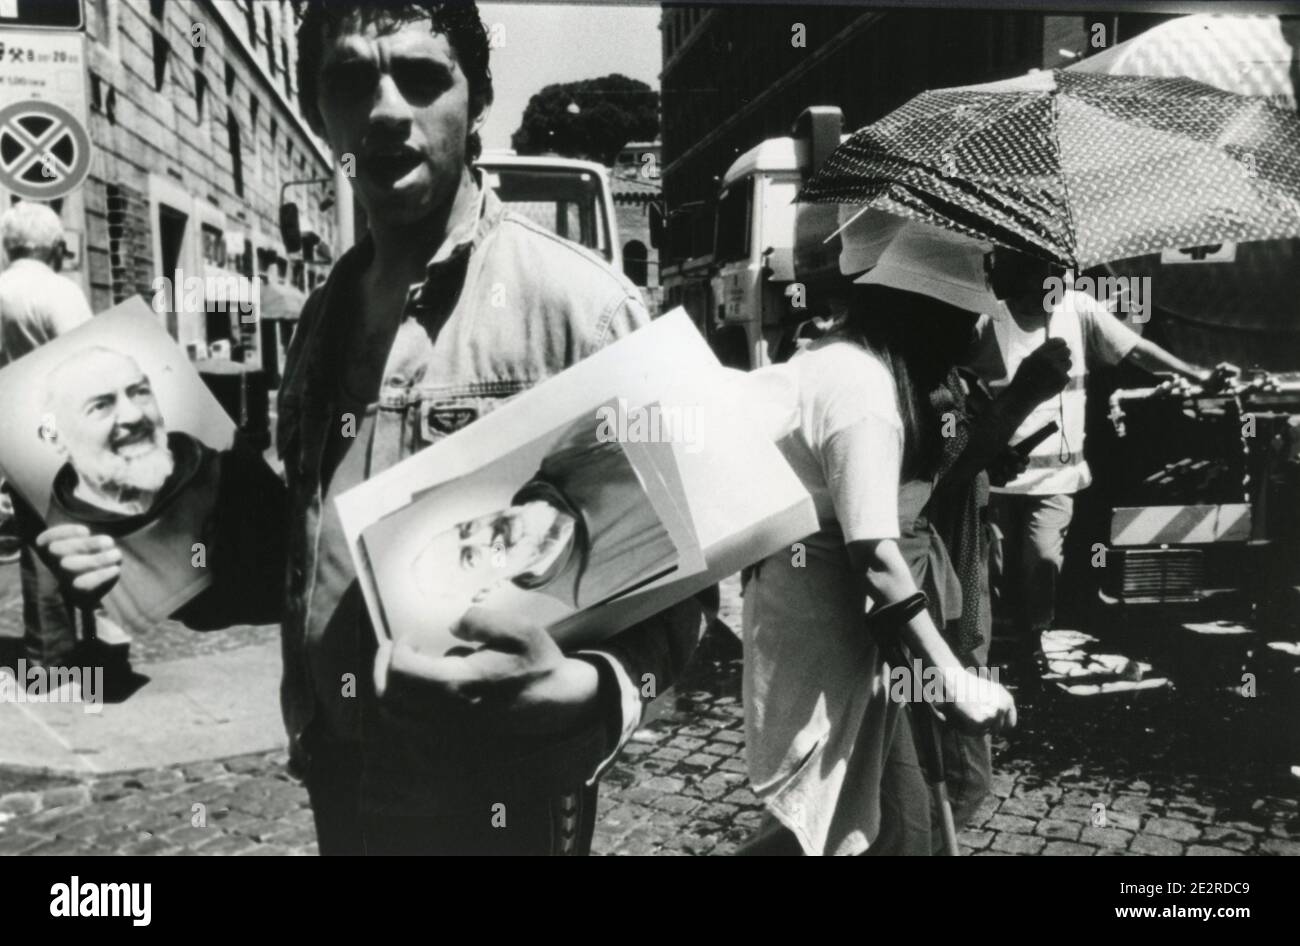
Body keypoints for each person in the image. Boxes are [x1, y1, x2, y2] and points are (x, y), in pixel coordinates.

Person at [42, 0, 702, 856]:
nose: (387, 108)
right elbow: (301, 564)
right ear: (320, 109)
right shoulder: (321, 320)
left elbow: (687, 580)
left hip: (499, 790)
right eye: (352, 80)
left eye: (424, 77)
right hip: (340, 777)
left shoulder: (582, 306)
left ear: (478, 99)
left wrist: (589, 690)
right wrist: (138, 560)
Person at [737, 285, 1016, 856]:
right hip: (829, 633)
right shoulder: (864, 388)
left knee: (884, 820)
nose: (977, 334)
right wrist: (951, 676)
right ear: (933, 319)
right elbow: (876, 558)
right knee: (819, 825)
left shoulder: (835, 357)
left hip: (828, 623)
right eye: (969, 319)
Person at [968, 247, 1234, 670]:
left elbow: (1136, 350)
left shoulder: (1079, 308)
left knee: (1043, 561)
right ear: (1021, 274)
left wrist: (1196, 376)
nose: (1058, 278)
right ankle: (994, 649)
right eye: (1046, 270)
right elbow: (964, 390)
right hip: (996, 478)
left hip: (1057, 479)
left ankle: (1032, 639)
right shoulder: (986, 319)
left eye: (1061, 269)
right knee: (993, 569)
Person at [36, 346, 283, 635]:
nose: (133, 415)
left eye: (139, 392)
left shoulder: (219, 470)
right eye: (100, 406)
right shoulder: (64, 529)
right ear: (56, 440)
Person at [0, 201, 93, 669]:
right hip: (62, 427)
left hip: (14, 429)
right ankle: (98, 643)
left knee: (37, 540)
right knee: (88, 530)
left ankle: (47, 655)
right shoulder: (60, 291)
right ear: (56, 248)